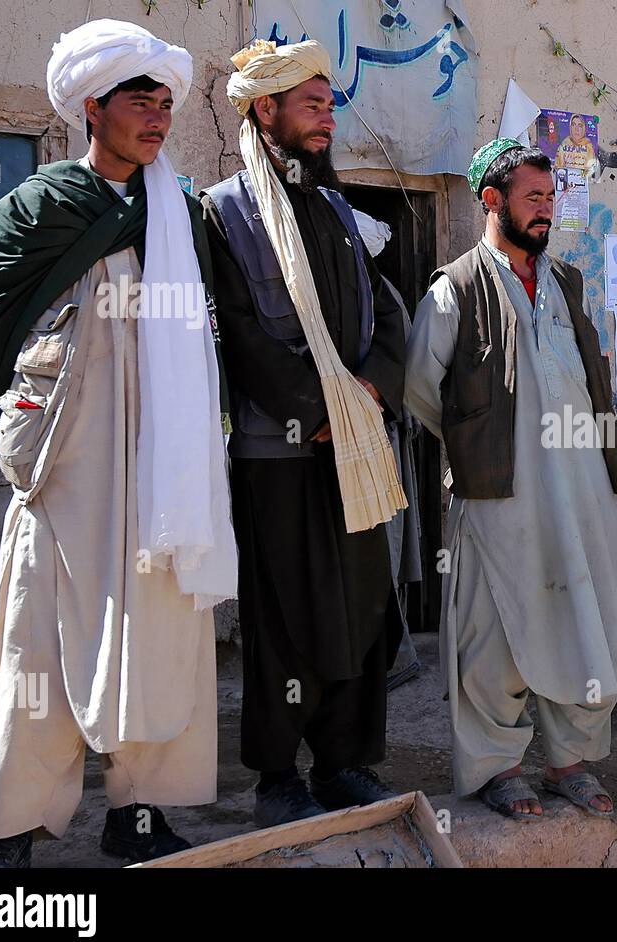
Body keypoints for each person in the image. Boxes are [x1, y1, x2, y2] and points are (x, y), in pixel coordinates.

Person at [0, 19, 236, 867]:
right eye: (139, 102)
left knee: (161, 631)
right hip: (68, 463)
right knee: (37, 641)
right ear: (95, 107)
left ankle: (141, 812)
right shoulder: (41, 207)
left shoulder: (178, 214)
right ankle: (13, 825)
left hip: (162, 465)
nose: (157, 117)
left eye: (165, 102)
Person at [204, 37, 409, 827]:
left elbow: (386, 313)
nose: (328, 120)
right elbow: (241, 337)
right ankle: (277, 776)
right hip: (280, 452)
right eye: (312, 105)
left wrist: (367, 394)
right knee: (283, 614)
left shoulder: (334, 208)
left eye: (329, 105)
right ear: (267, 110)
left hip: (353, 445)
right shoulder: (224, 214)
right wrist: (318, 409)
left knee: (359, 605)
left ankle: (342, 763)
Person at [405, 139, 617, 820]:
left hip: (579, 490)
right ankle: (497, 768)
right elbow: (422, 387)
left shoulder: (565, 283)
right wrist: (481, 444)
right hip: (499, 493)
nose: (546, 210)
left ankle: (569, 762)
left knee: (580, 623)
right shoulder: (454, 287)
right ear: (492, 201)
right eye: (533, 197)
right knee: (495, 636)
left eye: (550, 197)